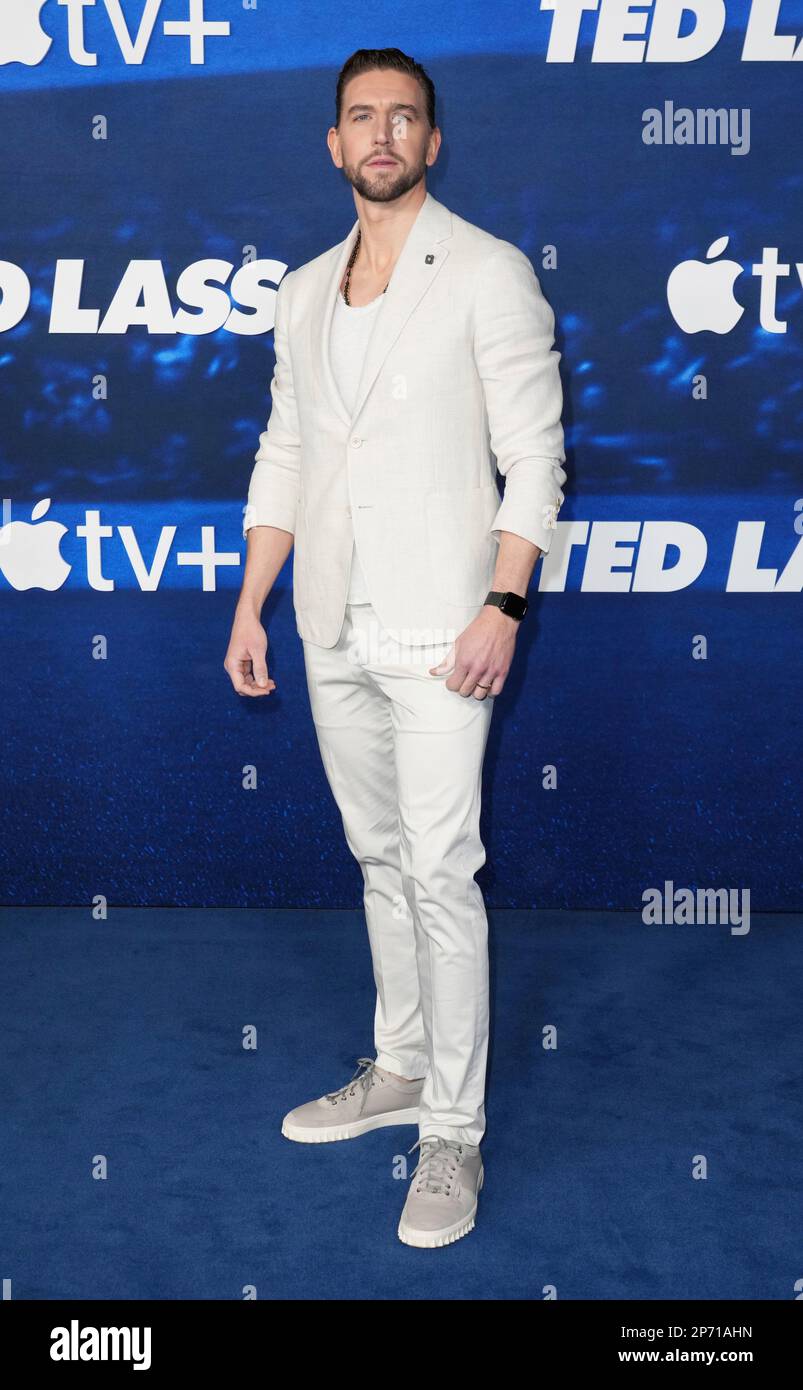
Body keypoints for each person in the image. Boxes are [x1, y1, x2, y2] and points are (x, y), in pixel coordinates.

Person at [224, 46, 567, 1248]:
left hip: (442, 627)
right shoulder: (304, 288)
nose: (381, 134)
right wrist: (251, 598)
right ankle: (404, 1066)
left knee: (440, 871)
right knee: (378, 859)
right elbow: (286, 449)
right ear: (333, 143)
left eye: (403, 117)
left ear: (432, 143)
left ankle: (454, 1134)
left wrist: (501, 605)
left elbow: (534, 458)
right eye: (360, 116)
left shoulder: (485, 272)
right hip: (329, 621)